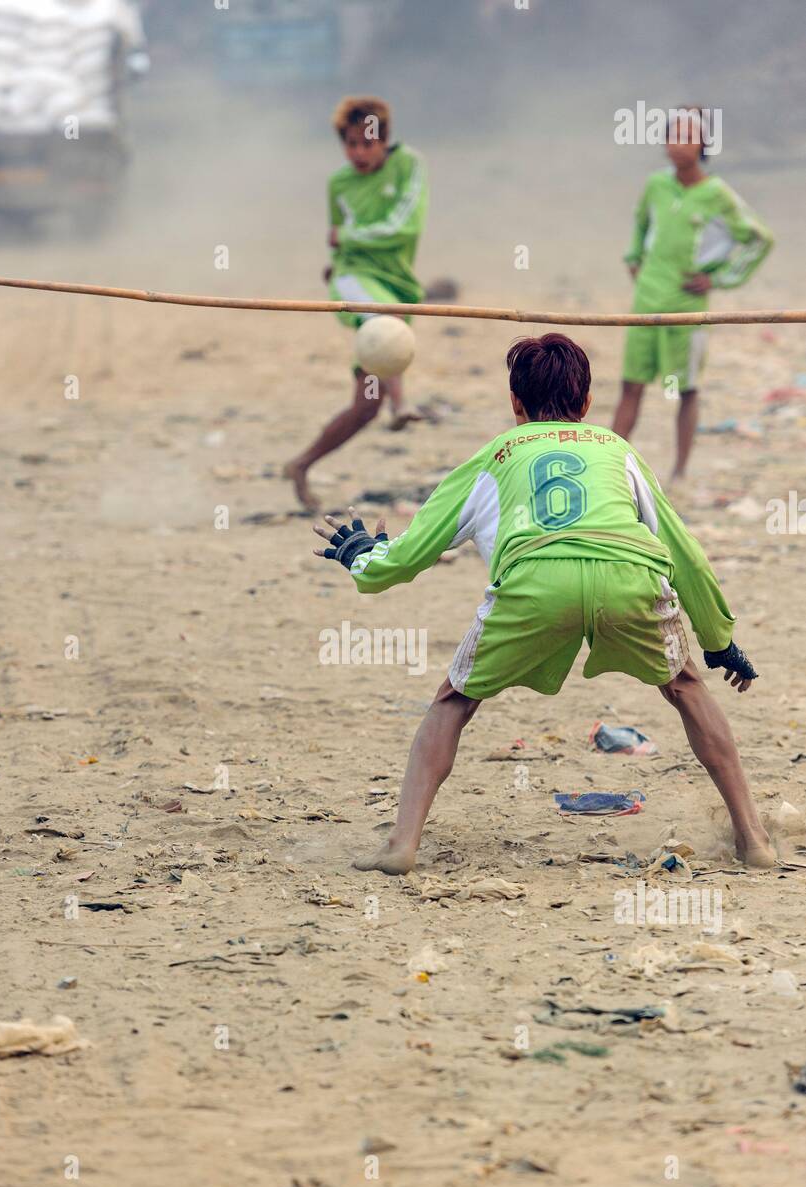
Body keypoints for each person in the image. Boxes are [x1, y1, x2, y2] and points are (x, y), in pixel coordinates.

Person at [313, 333, 774, 874]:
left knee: (453, 701)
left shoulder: (495, 455)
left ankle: (401, 844)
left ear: (515, 403)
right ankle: (754, 839)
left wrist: (363, 560)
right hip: (629, 576)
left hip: (536, 581)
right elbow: (686, 555)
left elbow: (410, 555)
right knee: (685, 684)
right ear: (586, 404)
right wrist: (719, 640)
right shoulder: (616, 449)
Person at [612, 108, 773, 482]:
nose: (677, 144)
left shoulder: (717, 194)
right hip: (646, 299)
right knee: (630, 384)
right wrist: (633, 260)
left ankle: (680, 471)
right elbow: (640, 225)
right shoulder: (656, 185)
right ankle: (610, 468)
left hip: (687, 305)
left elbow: (760, 239)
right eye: (672, 136)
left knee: (686, 389)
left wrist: (719, 278)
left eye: (688, 136)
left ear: (704, 145)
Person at [284, 96, 428, 511]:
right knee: (386, 323)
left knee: (366, 406)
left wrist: (344, 239)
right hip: (355, 281)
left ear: (384, 140)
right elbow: (339, 238)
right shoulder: (339, 184)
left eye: (367, 144)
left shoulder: (409, 166)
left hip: (395, 284)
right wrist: (338, 262)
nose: (359, 153)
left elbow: (405, 225)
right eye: (351, 145)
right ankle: (402, 404)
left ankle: (301, 464)